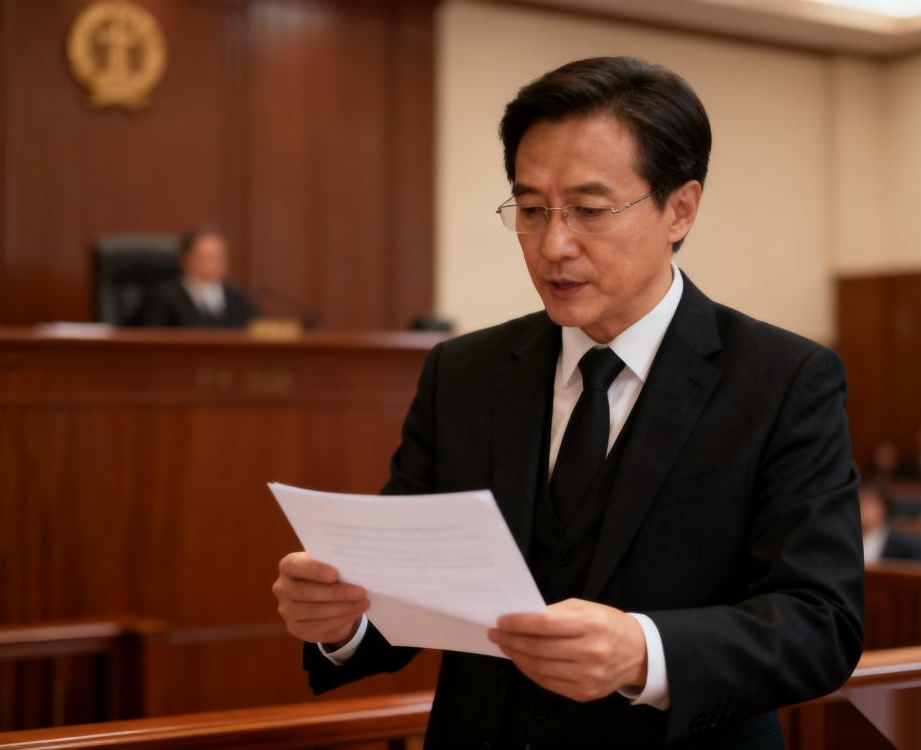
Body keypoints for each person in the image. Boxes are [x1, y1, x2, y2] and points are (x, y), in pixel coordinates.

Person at [273, 57, 863, 748]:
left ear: (680, 208)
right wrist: (343, 619)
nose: (553, 245)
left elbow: (821, 623)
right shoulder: (463, 373)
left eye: (589, 210)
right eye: (530, 211)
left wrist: (644, 651)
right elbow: (408, 592)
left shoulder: (783, 379)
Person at [140, 226, 258, 328]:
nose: (210, 265)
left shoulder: (238, 299)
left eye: (216, 258)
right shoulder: (163, 298)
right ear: (185, 259)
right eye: (203, 257)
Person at [860, 481, 921, 563]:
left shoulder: (904, 545)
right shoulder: (848, 539)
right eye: (861, 503)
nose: (865, 509)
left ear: (885, 507)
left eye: (871, 503)